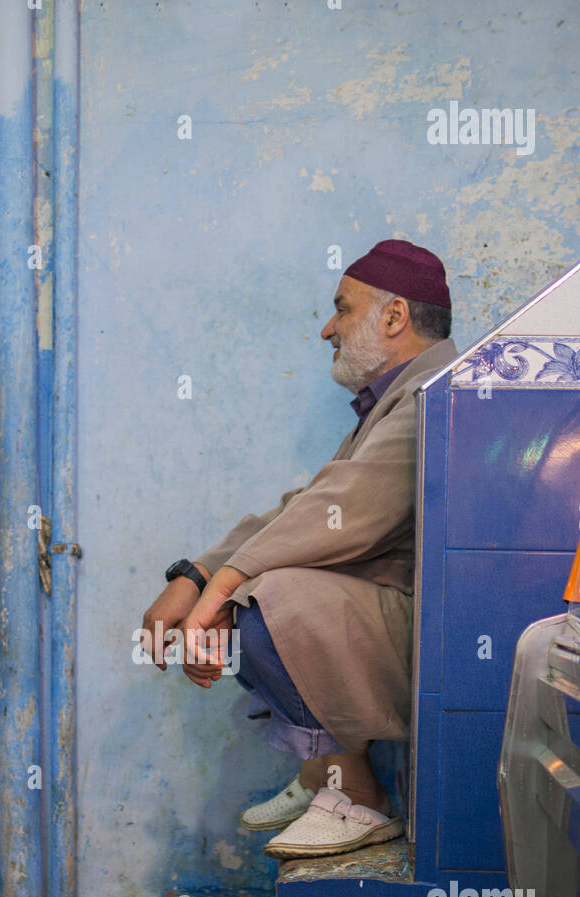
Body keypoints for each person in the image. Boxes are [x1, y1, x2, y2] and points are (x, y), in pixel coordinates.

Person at [140, 239, 457, 859]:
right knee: (256, 585)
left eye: (341, 309)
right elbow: (309, 505)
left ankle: (356, 794)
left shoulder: (432, 398)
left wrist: (223, 589)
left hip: (440, 644)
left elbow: (348, 509)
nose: (326, 329)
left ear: (394, 317)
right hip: (400, 625)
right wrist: (197, 575)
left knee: (272, 595)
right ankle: (320, 776)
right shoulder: (395, 398)